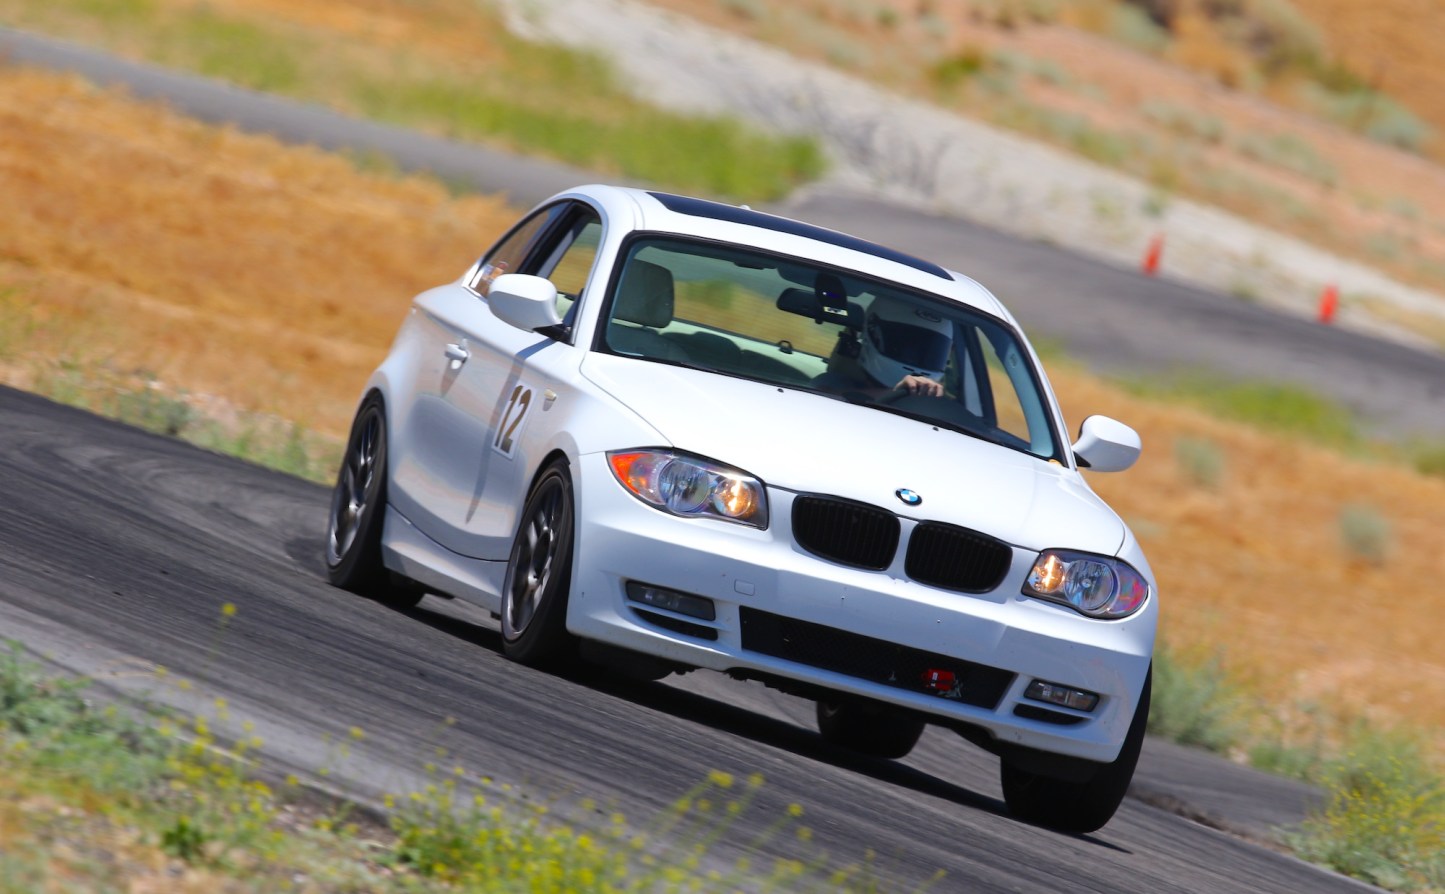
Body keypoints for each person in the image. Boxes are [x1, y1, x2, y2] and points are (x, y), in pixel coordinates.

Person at [813, 297, 952, 399]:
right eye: (906, 345)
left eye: (930, 350)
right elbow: (820, 397)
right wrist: (896, 392)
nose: (917, 355)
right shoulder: (834, 382)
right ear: (872, 335)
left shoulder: (936, 403)